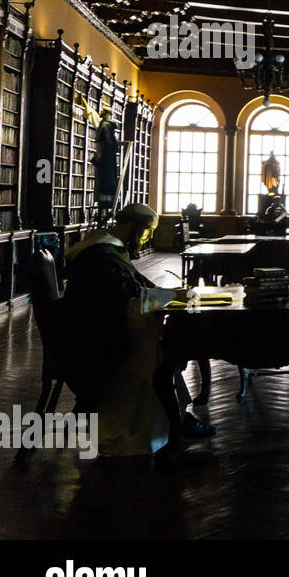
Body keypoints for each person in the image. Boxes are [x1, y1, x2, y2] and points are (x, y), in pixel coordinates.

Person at [61, 203, 214, 455]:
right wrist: (172, 296)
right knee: (164, 352)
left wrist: (172, 294)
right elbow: (129, 295)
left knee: (165, 346)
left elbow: (135, 283)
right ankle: (173, 421)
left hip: (98, 331)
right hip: (95, 342)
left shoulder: (104, 248)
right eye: (147, 232)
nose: (148, 239)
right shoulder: (100, 254)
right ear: (133, 228)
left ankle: (177, 417)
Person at [75, 92, 120, 225]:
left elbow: (106, 143)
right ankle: (105, 212)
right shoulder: (107, 126)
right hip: (107, 160)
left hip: (105, 159)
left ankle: (104, 212)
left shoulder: (104, 126)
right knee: (106, 182)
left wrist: (99, 158)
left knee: (104, 182)